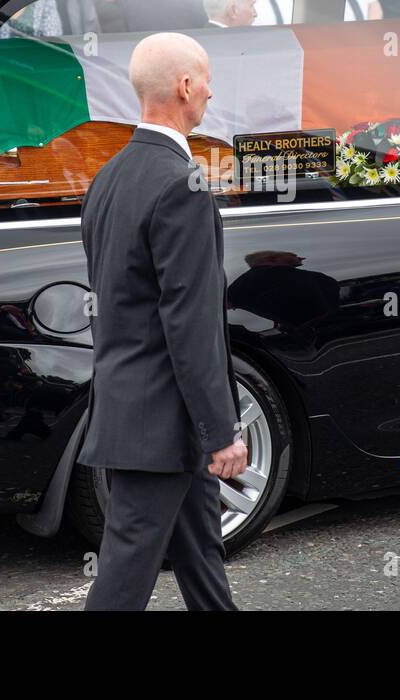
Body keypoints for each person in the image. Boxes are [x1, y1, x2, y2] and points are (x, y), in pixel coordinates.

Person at [81, 32, 246, 611]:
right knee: (124, 578)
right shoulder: (183, 184)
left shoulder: (109, 177)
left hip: (137, 412)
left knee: (202, 557)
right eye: (204, 78)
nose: (209, 89)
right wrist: (221, 430)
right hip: (162, 425)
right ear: (183, 87)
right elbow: (190, 321)